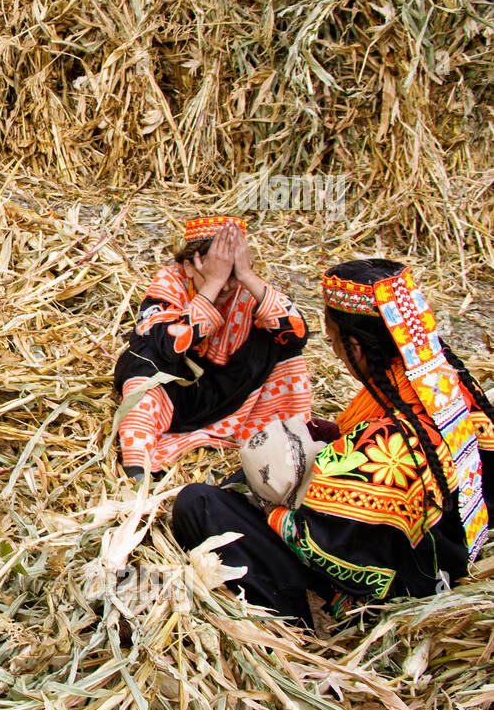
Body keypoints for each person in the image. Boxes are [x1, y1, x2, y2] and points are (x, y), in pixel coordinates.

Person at [173, 259, 494, 624]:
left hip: (391, 595)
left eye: (334, 341)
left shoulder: (387, 445)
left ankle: (297, 618)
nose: (338, 354)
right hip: (447, 552)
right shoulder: (450, 390)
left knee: (199, 504)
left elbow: (316, 540)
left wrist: (267, 504)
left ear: (355, 346)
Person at [113, 215, 313, 479]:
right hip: (173, 394)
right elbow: (168, 348)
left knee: (279, 342)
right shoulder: (170, 282)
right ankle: (138, 460)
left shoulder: (245, 288)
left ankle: (284, 441)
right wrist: (212, 286)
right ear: (188, 265)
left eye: (234, 275)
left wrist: (248, 277)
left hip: (226, 396)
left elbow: (297, 334)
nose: (228, 286)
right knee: (146, 355)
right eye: (218, 273)